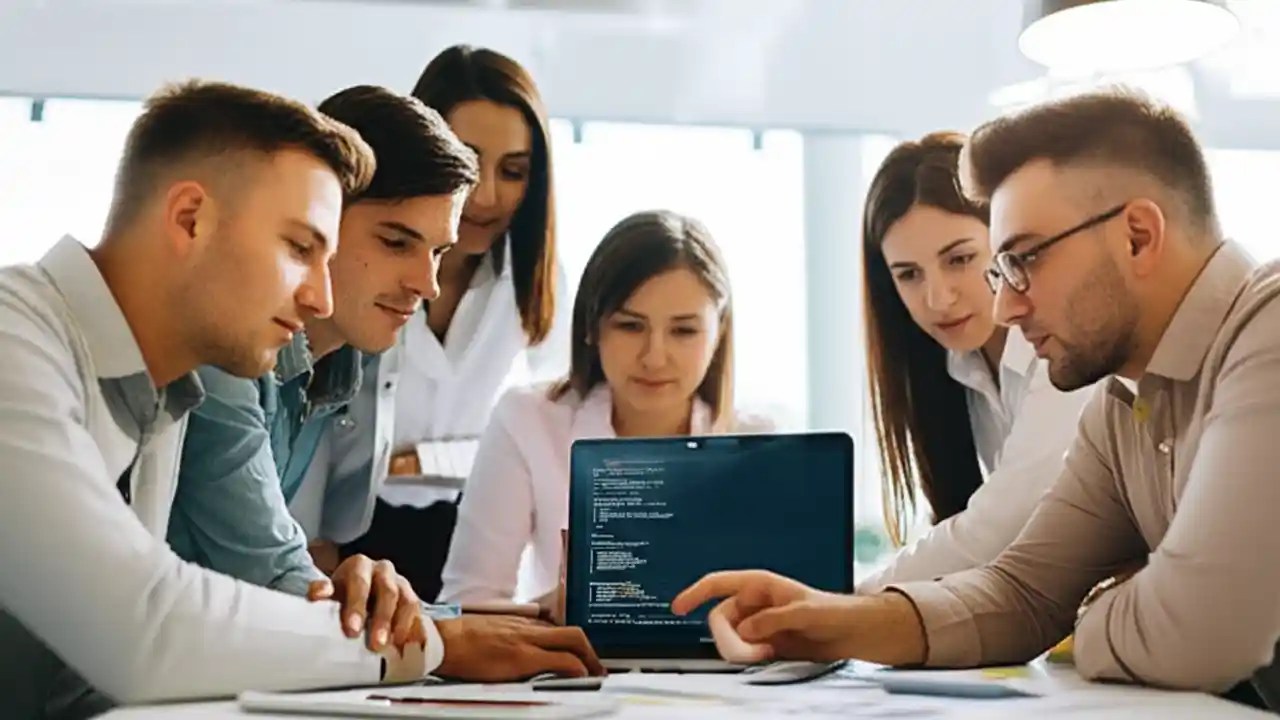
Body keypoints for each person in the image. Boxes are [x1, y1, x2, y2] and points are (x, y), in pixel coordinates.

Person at [0, 80, 600, 720]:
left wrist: (381, 615)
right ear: (190, 219)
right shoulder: (16, 342)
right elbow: (144, 627)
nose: (318, 298)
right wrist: (424, 643)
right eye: (298, 248)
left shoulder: (166, 385)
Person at [671, 88, 1280, 708]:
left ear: (1138, 236)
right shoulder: (1120, 403)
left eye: (1023, 261)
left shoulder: (1271, 327)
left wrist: (1092, 613)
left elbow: (1205, 632)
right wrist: (823, 617)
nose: (1004, 308)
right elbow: (1024, 596)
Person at [166, 85, 472, 638]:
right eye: (396, 243)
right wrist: (450, 635)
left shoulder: (336, 368)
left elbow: (298, 570)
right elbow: (276, 577)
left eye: (439, 253)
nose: (426, 285)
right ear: (320, 221)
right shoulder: (226, 354)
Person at [320, 44, 570, 600]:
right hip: (341, 527)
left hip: (463, 530)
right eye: (471, 163)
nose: (486, 196)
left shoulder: (534, 282)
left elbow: (541, 433)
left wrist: (425, 460)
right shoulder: (356, 264)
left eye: (515, 171)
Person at [440, 209, 772, 608]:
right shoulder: (528, 420)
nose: (654, 357)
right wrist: (562, 606)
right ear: (591, 327)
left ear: (718, 334)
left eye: (684, 331)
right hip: (579, 664)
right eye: (630, 326)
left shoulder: (758, 443)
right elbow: (464, 606)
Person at [857, 132, 1092, 591]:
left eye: (960, 259)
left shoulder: (1064, 354)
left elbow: (997, 527)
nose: (938, 298)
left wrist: (841, 604)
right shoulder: (957, 368)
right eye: (908, 274)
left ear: (1007, 242)